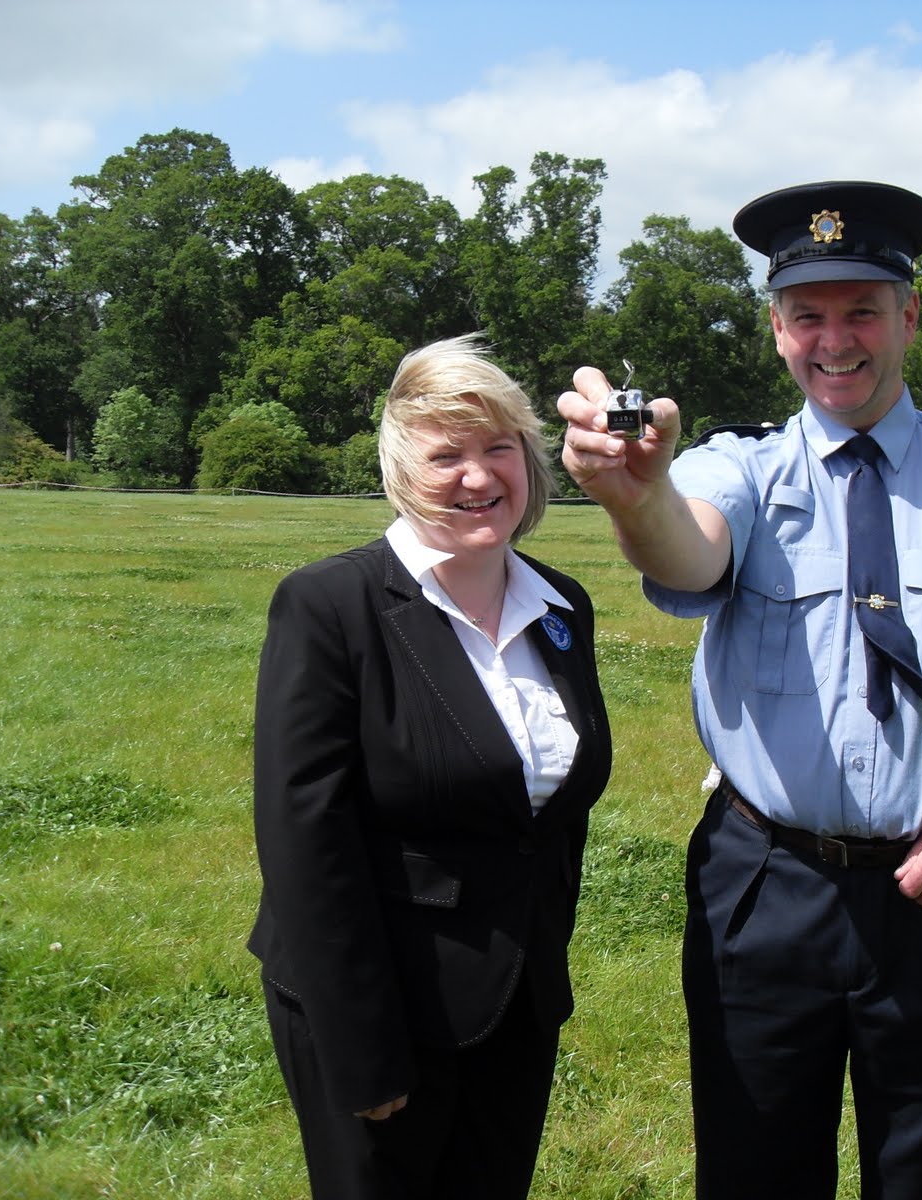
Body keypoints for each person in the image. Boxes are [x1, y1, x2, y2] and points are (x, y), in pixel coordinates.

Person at [558, 181, 922, 1198]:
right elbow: (689, 554)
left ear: (909, 316)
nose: (834, 341)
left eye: (861, 311)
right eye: (807, 316)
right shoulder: (733, 470)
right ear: (776, 329)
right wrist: (635, 496)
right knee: (755, 1171)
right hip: (766, 885)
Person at [248, 334, 613, 1199]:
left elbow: (550, 824)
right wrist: (363, 1051)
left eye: (499, 449)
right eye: (446, 454)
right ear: (400, 468)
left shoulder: (562, 606)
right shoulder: (332, 605)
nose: (479, 477)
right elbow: (306, 842)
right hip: (385, 1019)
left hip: (518, 1010)